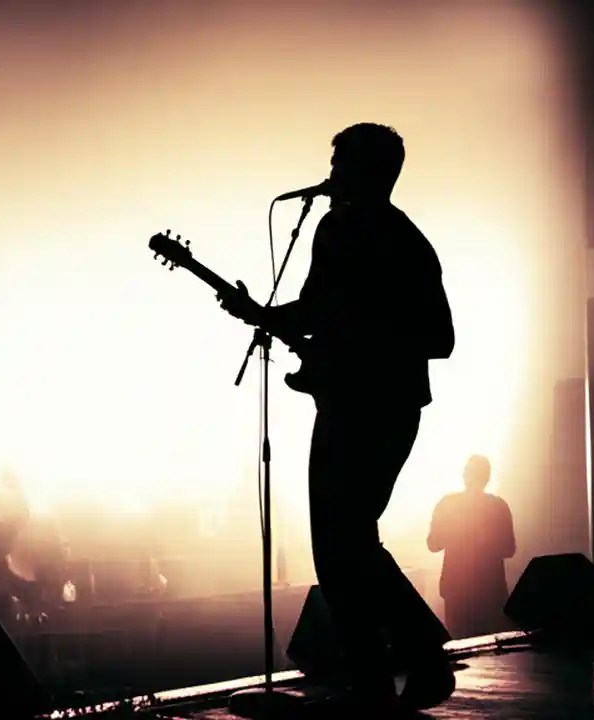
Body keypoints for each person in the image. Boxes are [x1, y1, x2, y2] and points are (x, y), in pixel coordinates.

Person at [222, 123, 457, 711]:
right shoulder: (365, 232)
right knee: (346, 544)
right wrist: (268, 314)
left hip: (366, 409)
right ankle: (388, 671)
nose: (329, 174)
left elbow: (437, 336)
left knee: (341, 545)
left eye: (339, 163)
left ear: (365, 171)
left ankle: (407, 658)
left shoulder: (375, 236)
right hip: (372, 407)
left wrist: (349, 339)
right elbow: (322, 312)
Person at [428, 454, 516, 638]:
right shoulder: (499, 506)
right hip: (490, 591)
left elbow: (433, 544)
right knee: (491, 647)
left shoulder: (448, 504)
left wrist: (455, 534)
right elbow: (509, 549)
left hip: (457, 592)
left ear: (466, 475)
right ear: (487, 477)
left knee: (461, 646)